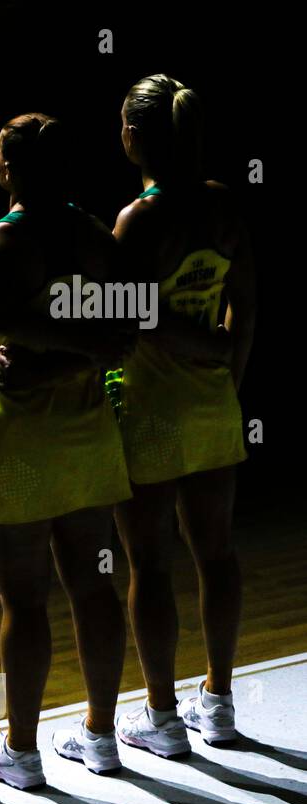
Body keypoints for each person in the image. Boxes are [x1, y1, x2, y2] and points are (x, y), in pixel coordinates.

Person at [0, 114, 133, 788]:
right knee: (95, 586)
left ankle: (21, 751)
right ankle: (100, 736)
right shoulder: (97, 237)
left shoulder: (0, 243)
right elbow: (123, 335)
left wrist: (43, 362)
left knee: (24, 601)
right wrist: (77, 355)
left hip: (20, 441)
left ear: (7, 167)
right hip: (90, 432)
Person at [110, 76, 255, 754]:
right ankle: (219, 702)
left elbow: (131, 318)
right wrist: (227, 375)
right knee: (217, 554)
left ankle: (164, 719)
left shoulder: (139, 219)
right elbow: (245, 307)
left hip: (150, 408)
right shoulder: (224, 204)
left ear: (136, 137)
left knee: (150, 563)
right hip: (212, 404)